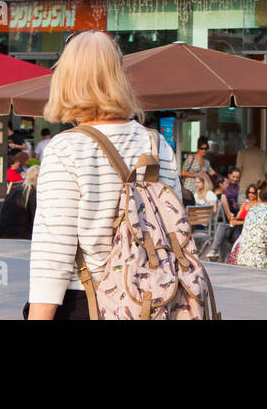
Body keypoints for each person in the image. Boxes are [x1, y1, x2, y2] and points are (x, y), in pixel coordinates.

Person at [27, 31, 181, 320]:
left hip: (88, 300)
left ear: (67, 79)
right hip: (154, 300)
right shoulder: (156, 144)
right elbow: (175, 229)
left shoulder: (66, 148)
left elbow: (54, 253)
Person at [0, 167, 38, 239]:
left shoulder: (15, 191)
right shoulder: (32, 193)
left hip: (4, 233)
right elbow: (35, 218)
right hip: (22, 235)